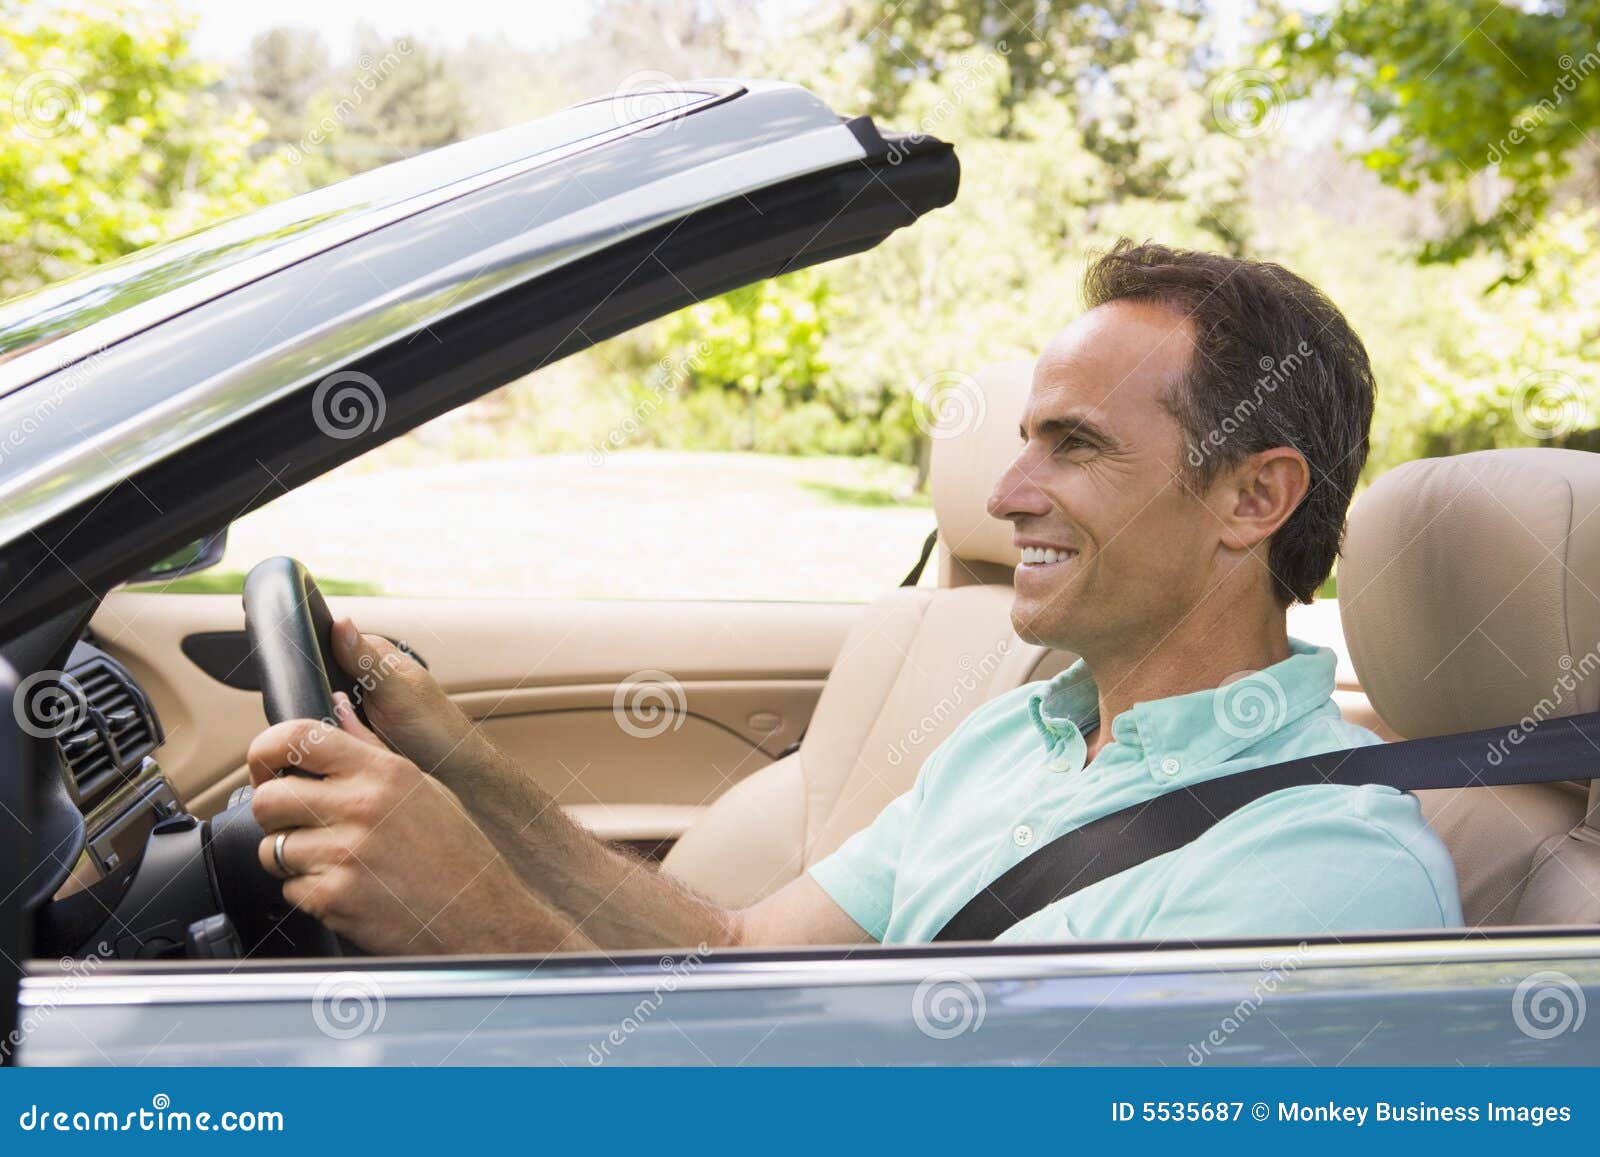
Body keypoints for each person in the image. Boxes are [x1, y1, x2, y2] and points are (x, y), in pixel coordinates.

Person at [246, 240, 1462, 955]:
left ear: (1252, 500)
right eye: (1024, 439)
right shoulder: (1016, 739)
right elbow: (735, 960)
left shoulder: (1326, 872)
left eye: (1075, 447)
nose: (1006, 488)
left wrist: (477, 918)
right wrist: (461, 764)